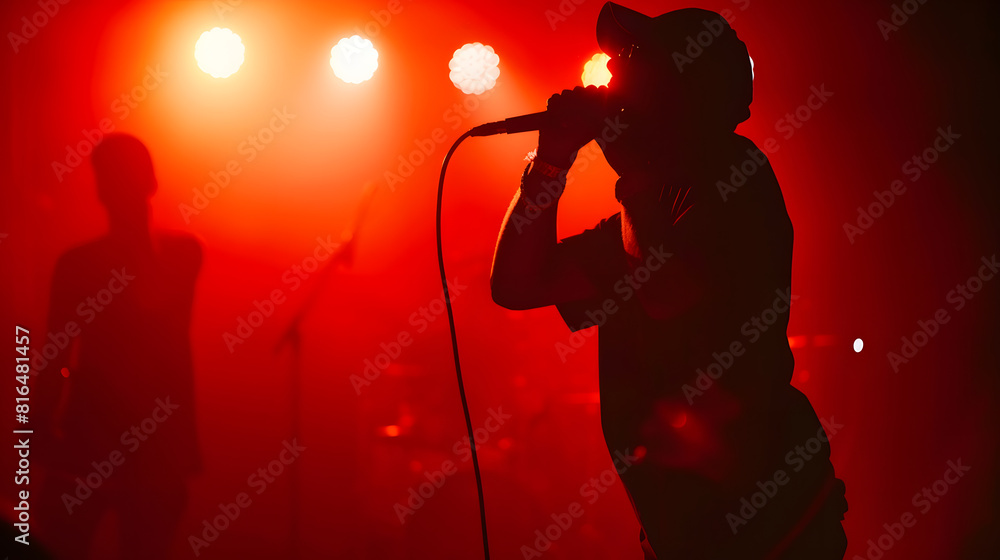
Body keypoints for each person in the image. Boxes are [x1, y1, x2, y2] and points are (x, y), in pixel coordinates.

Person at [491, 3, 847, 558]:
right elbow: (518, 285)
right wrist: (550, 162)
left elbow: (665, 291)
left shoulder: (736, 176)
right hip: (688, 528)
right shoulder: (646, 209)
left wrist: (628, 166)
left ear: (683, 80)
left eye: (632, 56)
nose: (610, 73)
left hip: (768, 523)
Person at [35, 134, 202, 559]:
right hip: (112, 446)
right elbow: (54, 355)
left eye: (113, 177)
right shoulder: (83, 265)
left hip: (127, 447)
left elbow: (54, 357)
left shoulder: (180, 256)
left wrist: (37, 430)